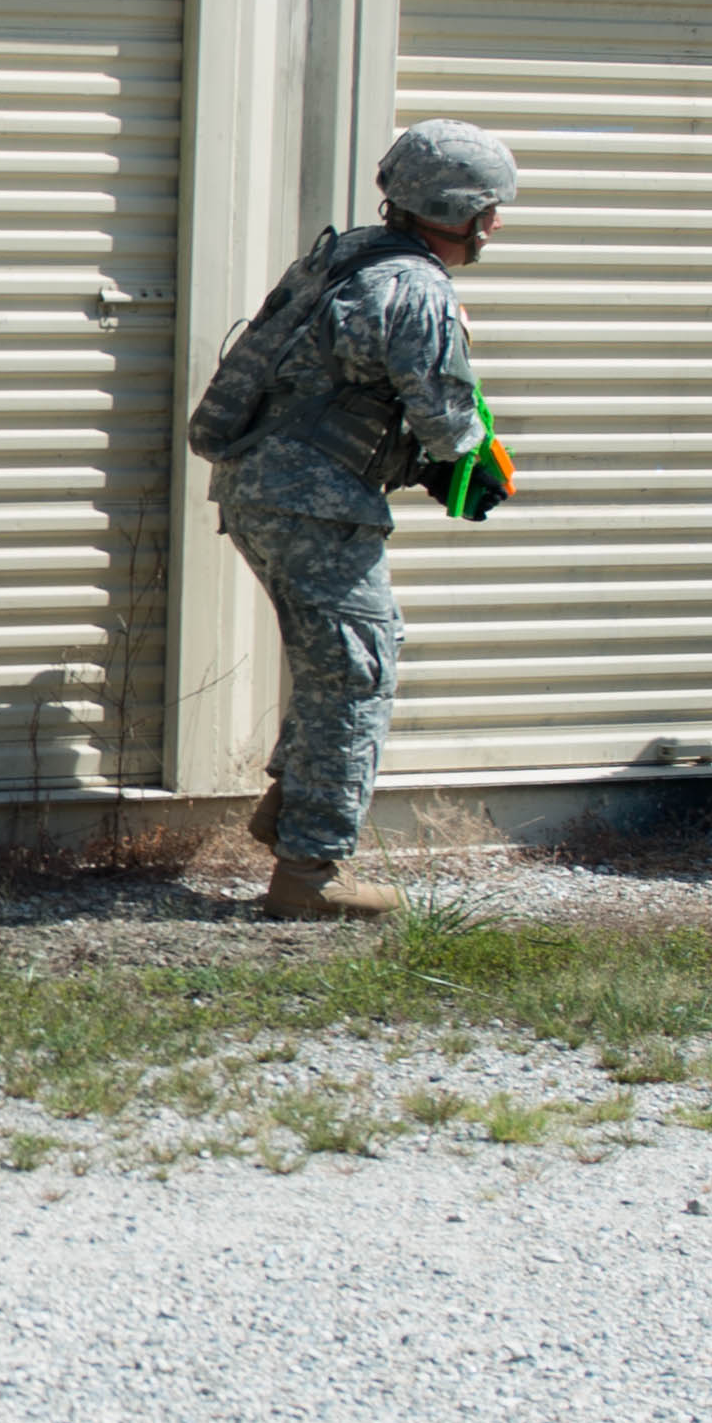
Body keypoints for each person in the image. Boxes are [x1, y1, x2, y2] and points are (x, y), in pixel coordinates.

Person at [186, 121, 517, 920]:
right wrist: (476, 458)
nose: (496, 226)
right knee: (359, 671)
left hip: (261, 487)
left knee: (334, 656)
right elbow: (444, 423)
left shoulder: (348, 254)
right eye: (492, 210)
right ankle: (312, 876)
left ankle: (288, 810)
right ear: (464, 211)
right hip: (318, 502)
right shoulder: (418, 289)